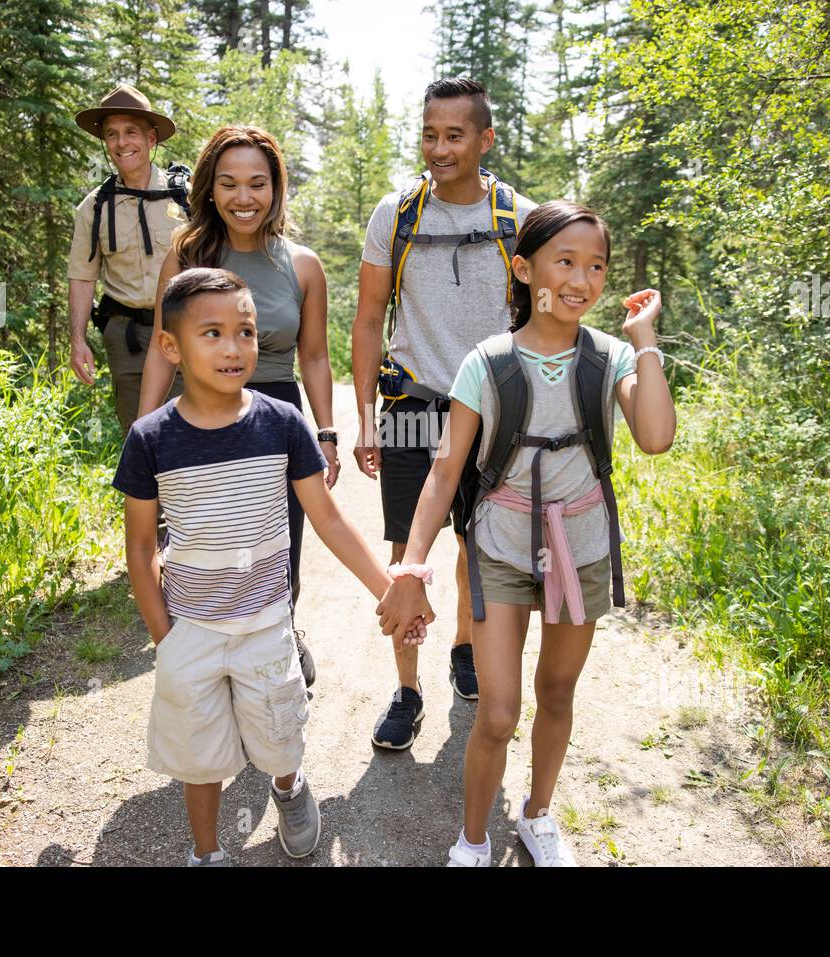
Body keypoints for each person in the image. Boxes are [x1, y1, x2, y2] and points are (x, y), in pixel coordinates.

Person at [376, 201, 677, 867]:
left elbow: (655, 436)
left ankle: (539, 816)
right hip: (503, 547)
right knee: (498, 711)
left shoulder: (613, 357)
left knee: (559, 693)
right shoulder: (487, 362)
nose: (581, 278)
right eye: (564, 261)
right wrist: (414, 561)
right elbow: (446, 469)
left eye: (595, 265)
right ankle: (473, 837)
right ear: (523, 267)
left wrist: (646, 335)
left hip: (582, 547)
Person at [113, 268, 425, 866]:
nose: (234, 348)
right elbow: (141, 547)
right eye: (213, 333)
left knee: (280, 738)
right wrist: (166, 638)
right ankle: (206, 853)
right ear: (171, 346)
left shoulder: (282, 423)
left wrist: (391, 590)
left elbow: (329, 521)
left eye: (246, 331)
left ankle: (289, 786)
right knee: (199, 757)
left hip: (265, 627)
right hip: (190, 630)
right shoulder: (151, 438)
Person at [352, 77, 536, 749]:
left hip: (492, 410)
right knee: (407, 552)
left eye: (454, 135)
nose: (438, 148)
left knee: (477, 546)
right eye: (430, 134)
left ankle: (463, 647)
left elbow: (546, 320)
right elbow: (370, 316)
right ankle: (407, 689)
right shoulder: (395, 214)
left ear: (485, 139)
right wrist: (368, 415)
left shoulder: (519, 218)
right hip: (411, 403)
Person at [138, 125, 336, 686]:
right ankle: (200, 658)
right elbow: (162, 349)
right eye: (228, 183)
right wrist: (144, 429)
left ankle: (278, 643)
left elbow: (316, 357)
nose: (242, 197)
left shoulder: (302, 265)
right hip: (196, 416)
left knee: (281, 546)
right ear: (209, 188)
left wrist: (326, 433)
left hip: (276, 415)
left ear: (276, 189)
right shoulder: (187, 255)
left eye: (256, 183)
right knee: (200, 548)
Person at [68, 83, 188, 432]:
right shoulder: (93, 208)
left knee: (192, 430)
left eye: (131, 132)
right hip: (127, 337)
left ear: (151, 140)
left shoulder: (186, 199)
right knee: (139, 433)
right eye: (112, 135)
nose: (122, 143)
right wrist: (77, 341)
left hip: (184, 330)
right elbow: (82, 276)